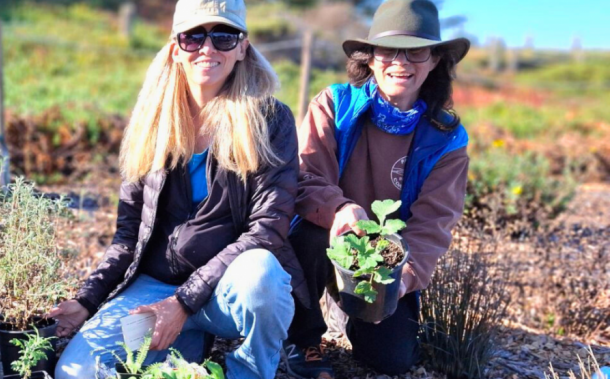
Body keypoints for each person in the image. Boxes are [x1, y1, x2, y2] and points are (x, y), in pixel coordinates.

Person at [48, 1, 305, 378]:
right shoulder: (151, 124)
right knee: (76, 372)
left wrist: (182, 303)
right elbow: (128, 235)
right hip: (157, 293)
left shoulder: (270, 120)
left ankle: (247, 371)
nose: (208, 48)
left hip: (226, 294)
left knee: (261, 275)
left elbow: (267, 231)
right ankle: (185, 348)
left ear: (242, 47)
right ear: (175, 47)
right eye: (193, 36)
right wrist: (86, 301)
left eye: (223, 36)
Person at [282, 0, 471, 377]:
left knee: (392, 359)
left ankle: (347, 308)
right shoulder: (334, 105)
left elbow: (434, 223)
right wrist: (338, 209)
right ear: (369, 57)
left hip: (388, 259)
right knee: (311, 235)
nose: (400, 61)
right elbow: (304, 179)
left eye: (416, 51)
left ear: (434, 60)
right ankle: (303, 339)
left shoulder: (447, 138)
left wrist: (405, 277)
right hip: (329, 239)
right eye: (388, 49)